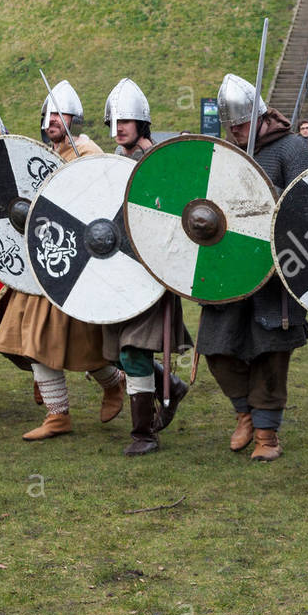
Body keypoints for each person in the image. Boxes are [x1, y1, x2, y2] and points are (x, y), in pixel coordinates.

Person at [0, 81, 126, 441]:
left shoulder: (87, 153)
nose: (52, 120)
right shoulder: (42, 153)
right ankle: (58, 415)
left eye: (59, 114)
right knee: (29, 338)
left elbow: (103, 208)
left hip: (74, 266)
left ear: (75, 119)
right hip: (41, 264)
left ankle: (114, 383)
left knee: (81, 344)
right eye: (48, 114)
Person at [200, 74, 308, 460]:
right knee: (216, 347)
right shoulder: (227, 152)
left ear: (262, 115)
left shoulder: (292, 148)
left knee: (269, 351)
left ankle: (267, 436)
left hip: (274, 268)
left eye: (242, 124)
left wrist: (267, 196)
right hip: (229, 264)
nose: (235, 131)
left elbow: (307, 205)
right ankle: (244, 413)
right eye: (230, 126)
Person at [102, 78, 192, 454]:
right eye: (115, 120)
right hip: (119, 271)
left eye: (127, 120)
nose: (120, 127)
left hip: (152, 272)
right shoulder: (116, 163)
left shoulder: (157, 161)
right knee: (118, 351)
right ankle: (170, 383)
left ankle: (144, 434)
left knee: (134, 349)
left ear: (142, 122)